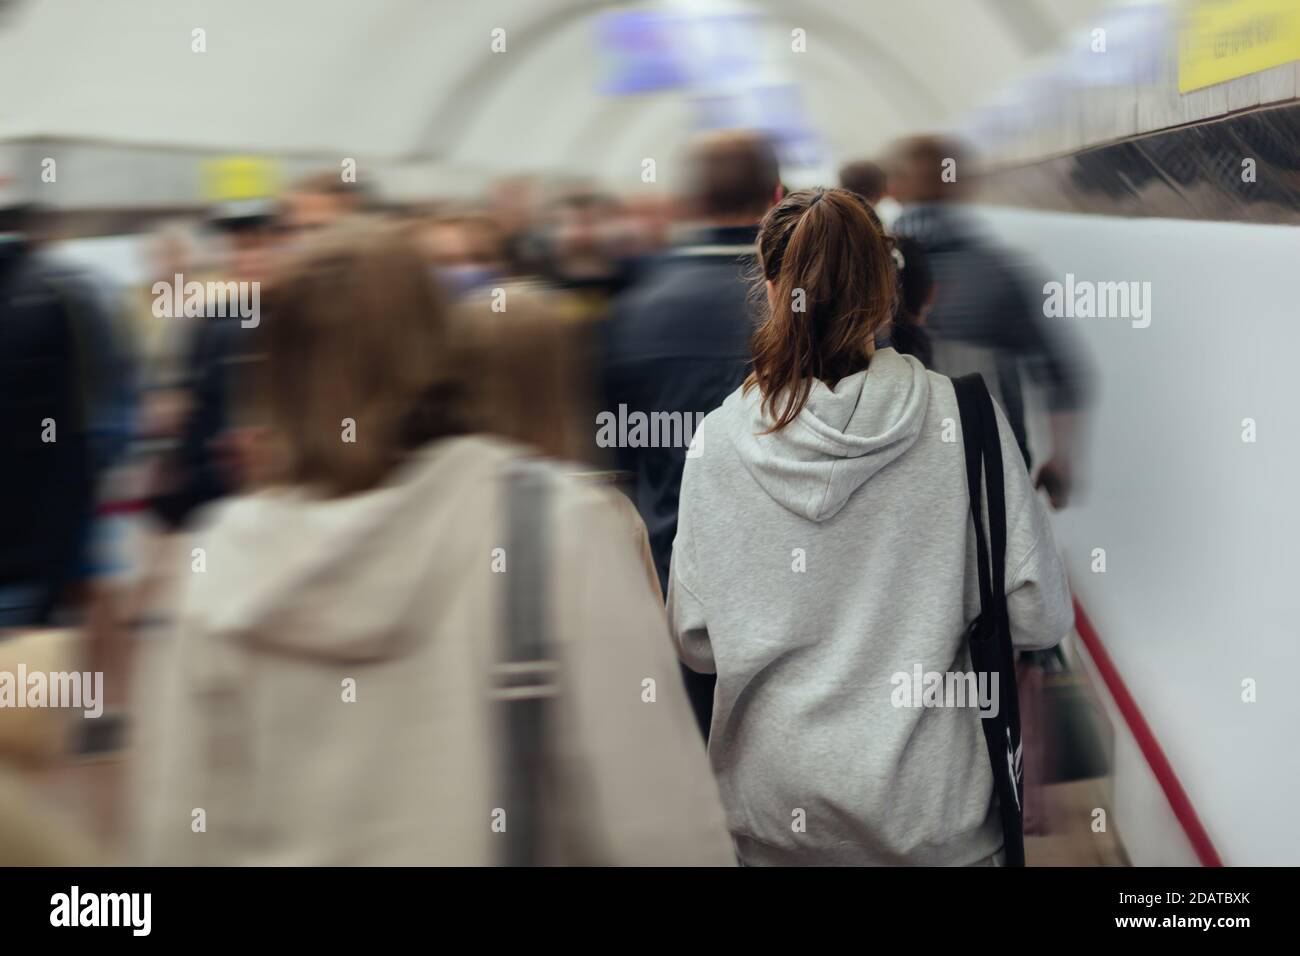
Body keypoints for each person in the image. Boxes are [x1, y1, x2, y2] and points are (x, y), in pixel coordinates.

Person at [133, 222, 733, 866]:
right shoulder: (550, 526)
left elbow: (175, 836)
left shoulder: (216, 561)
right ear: (438, 348)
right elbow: (662, 829)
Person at [667, 188, 1073, 866]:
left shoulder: (718, 441)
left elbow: (696, 641)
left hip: (779, 827)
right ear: (885, 295)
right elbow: (1039, 616)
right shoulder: (965, 420)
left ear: (771, 290)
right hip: (937, 822)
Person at [603, 130, 782, 737]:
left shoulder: (637, 309)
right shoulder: (795, 307)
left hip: (678, 581)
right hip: (792, 576)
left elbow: (619, 454)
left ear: (690, 202)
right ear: (775, 195)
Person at [887, 135, 1090, 508]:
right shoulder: (1002, 272)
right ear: (962, 187)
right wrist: (1060, 462)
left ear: (894, 189)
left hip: (897, 482)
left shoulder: (869, 276)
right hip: (995, 479)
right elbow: (1062, 377)